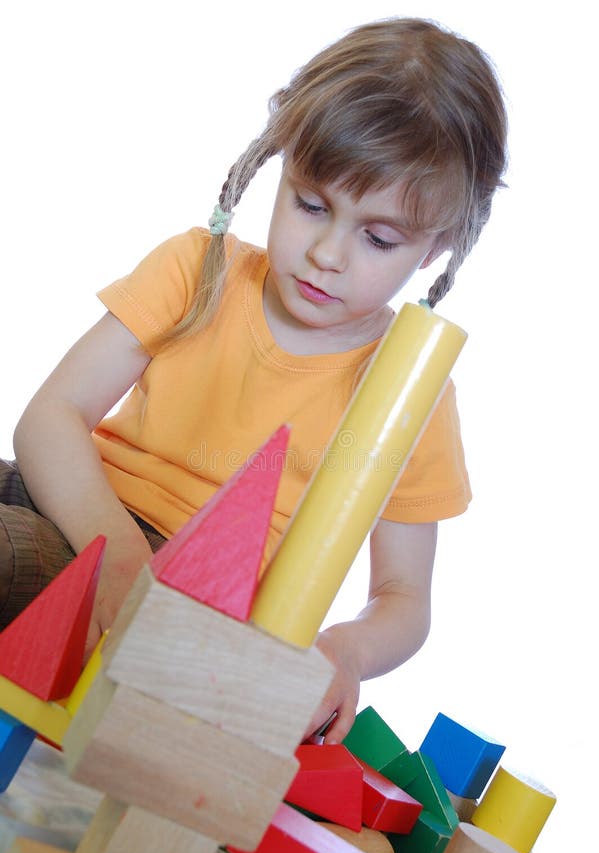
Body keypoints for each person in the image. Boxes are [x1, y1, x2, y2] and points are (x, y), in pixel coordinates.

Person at [0, 18, 507, 743]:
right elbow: (50, 418)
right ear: (280, 163)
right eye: (310, 204)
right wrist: (115, 557)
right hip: (81, 512)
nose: (327, 253)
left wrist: (341, 651)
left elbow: (401, 596)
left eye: (378, 237)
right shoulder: (197, 269)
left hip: (182, 598)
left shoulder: (407, 397)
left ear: (438, 245)